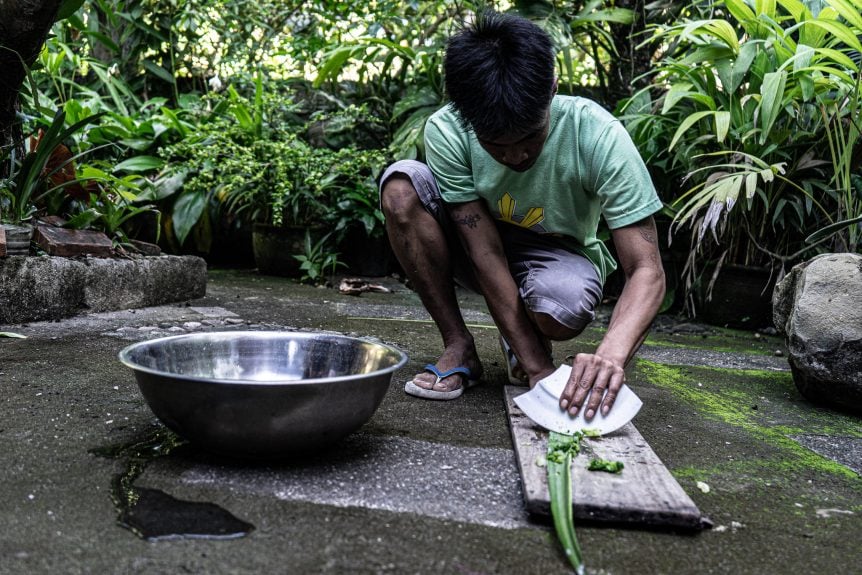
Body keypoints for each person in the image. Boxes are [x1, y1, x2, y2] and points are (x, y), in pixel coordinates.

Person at [379, 10, 665, 420]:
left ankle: (525, 331)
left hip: (553, 250)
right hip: (473, 246)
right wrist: (540, 371)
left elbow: (647, 270)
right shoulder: (447, 130)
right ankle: (459, 344)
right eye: (495, 144)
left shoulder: (598, 135)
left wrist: (610, 358)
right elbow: (485, 253)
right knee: (401, 189)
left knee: (561, 312)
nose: (515, 156)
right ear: (463, 114)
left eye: (530, 137)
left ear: (551, 89)